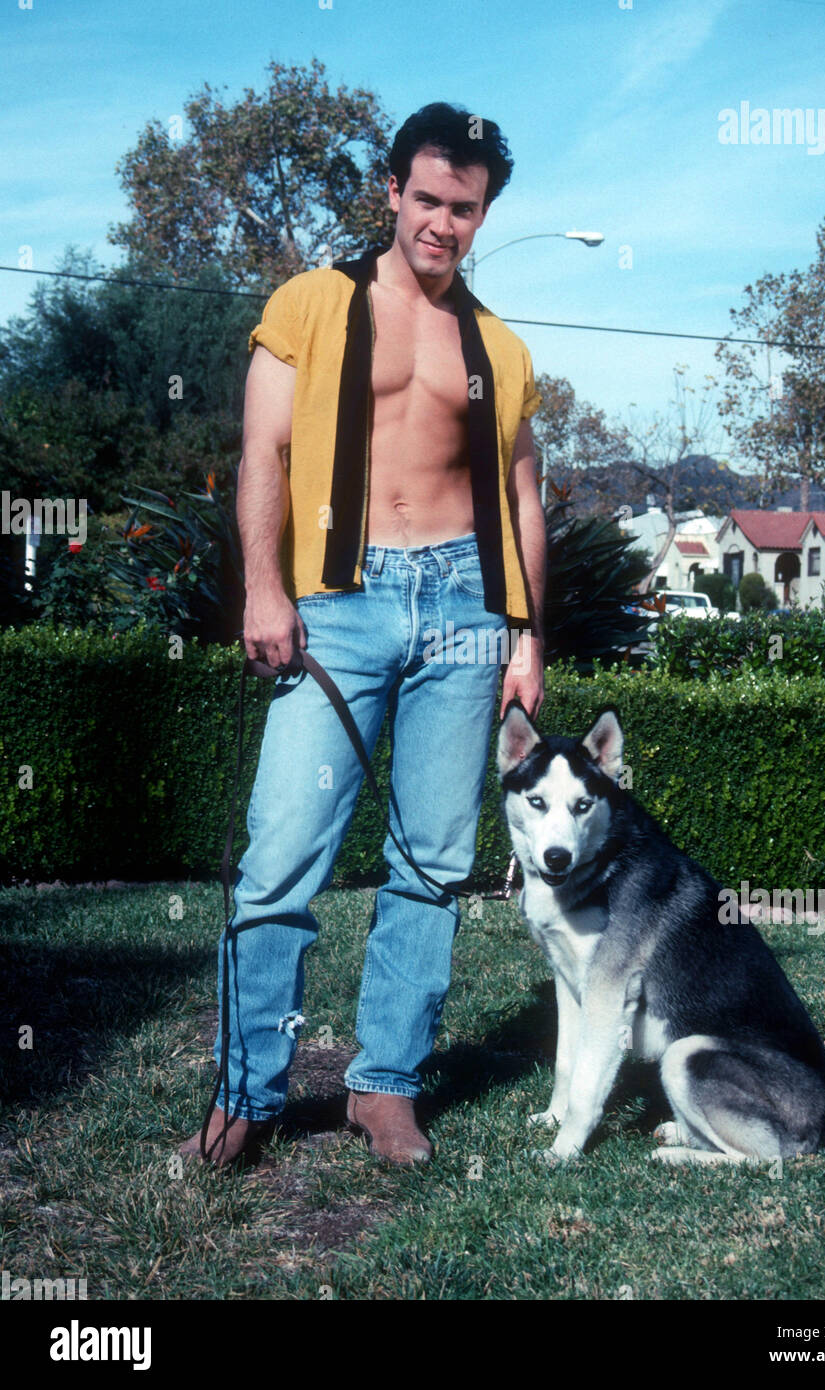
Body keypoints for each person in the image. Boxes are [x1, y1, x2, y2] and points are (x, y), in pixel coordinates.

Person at [180, 101, 546, 1167]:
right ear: (392, 192)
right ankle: (248, 1090)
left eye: (463, 209)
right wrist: (263, 588)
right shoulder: (307, 304)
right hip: (339, 601)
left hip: (467, 610)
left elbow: (523, 498)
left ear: (484, 215)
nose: (441, 222)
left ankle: (383, 1087)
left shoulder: (500, 349)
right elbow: (262, 453)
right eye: (425, 199)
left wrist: (527, 638)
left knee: (433, 859)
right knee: (280, 859)